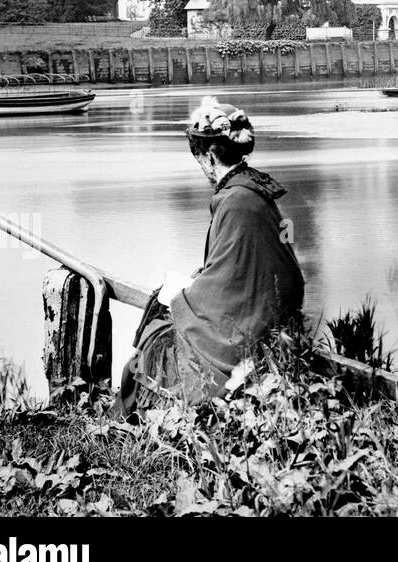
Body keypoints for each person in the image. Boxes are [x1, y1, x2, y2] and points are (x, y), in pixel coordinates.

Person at [112, 97, 305, 419]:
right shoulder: (256, 190)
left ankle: (148, 416)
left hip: (252, 318)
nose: (201, 167)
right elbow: (246, 263)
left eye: (200, 157)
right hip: (273, 307)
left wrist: (182, 298)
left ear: (212, 154)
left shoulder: (235, 201)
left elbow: (232, 274)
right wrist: (202, 280)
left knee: (156, 340)